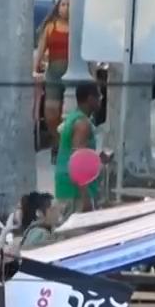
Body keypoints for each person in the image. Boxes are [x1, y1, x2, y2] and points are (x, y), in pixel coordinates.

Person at [54, 83, 104, 214]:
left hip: (67, 184)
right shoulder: (82, 124)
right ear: (90, 98)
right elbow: (78, 161)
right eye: (98, 96)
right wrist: (85, 196)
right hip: (74, 190)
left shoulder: (73, 118)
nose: (101, 99)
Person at [33, 0, 71, 157]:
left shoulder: (77, 28)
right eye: (63, 4)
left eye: (69, 5)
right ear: (58, 7)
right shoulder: (50, 27)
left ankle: (65, 147)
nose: (66, 8)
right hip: (54, 74)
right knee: (51, 113)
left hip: (71, 75)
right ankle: (58, 140)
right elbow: (40, 50)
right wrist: (35, 69)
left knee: (68, 113)